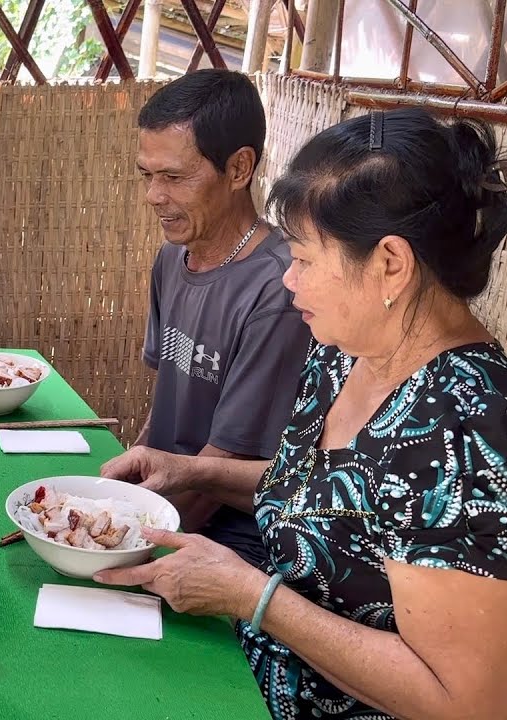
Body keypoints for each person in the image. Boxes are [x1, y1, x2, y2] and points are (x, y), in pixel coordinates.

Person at [97, 109, 507, 719]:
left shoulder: (474, 429)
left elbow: (467, 702)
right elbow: (327, 495)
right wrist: (192, 471)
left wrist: (253, 597)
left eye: (306, 259)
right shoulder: (347, 356)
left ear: (390, 264)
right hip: (254, 686)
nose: (290, 282)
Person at [134, 69, 312, 567]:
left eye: (173, 176)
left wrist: (132, 542)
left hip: (230, 539)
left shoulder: (279, 289)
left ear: (238, 169)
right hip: (166, 507)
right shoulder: (173, 257)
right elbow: (167, 406)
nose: (154, 195)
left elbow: (227, 459)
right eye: (148, 175)